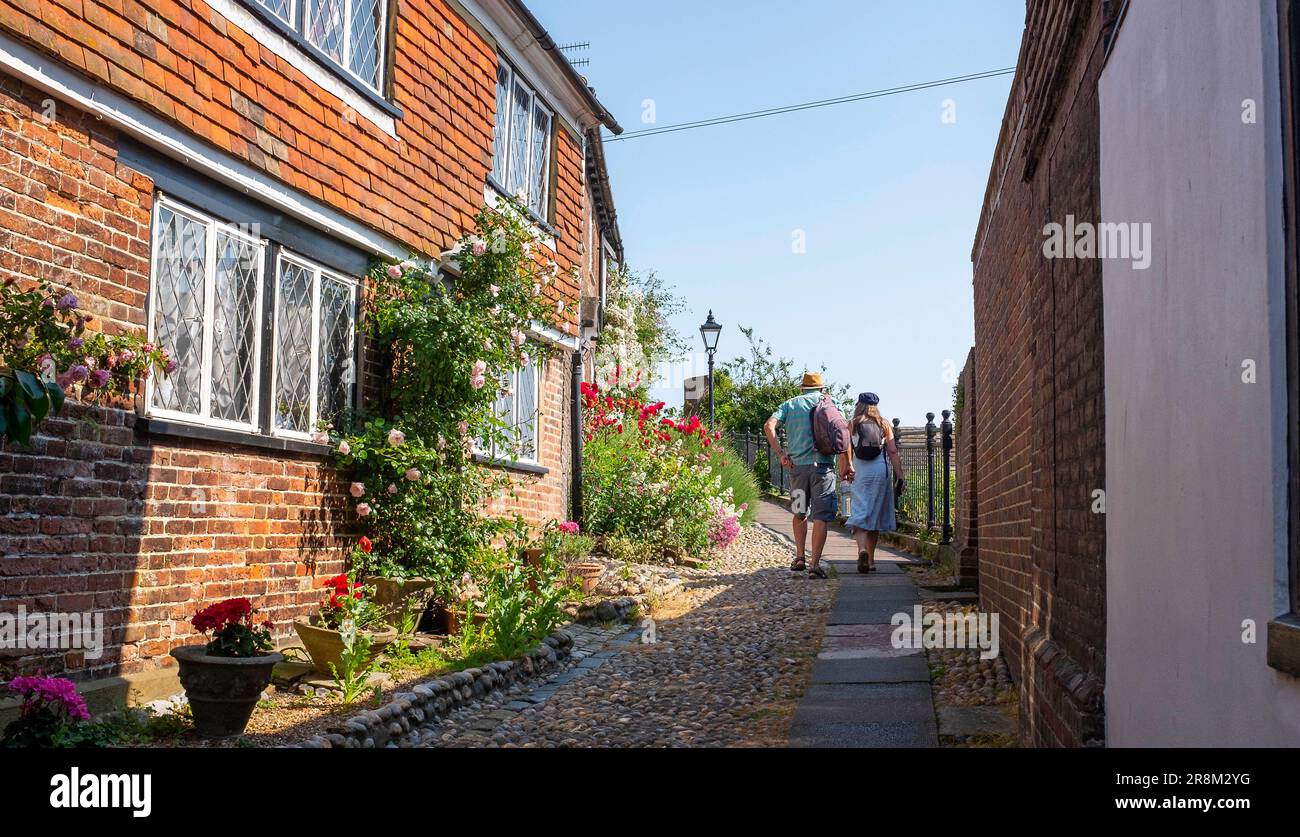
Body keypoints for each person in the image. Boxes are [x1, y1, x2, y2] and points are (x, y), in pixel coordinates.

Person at [763, 372, 838, 579]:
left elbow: (768, 426)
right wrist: (847, 462)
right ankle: (815, 564)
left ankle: (799, 557)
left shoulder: (790, 404)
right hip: (823, 468)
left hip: (797, 469)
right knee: (821, 517)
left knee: (799, 512)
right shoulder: (831, 402)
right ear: (821, 388)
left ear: (801, 388)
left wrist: (780, 454)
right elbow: (844, 431)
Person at [841, 392, 905, 572]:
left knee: (860, 512)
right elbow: (892, 451)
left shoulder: (852, 424)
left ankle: (861, 550)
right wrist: (900, 476)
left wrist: (847, 468)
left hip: (860, 473)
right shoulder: (883, 424)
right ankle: (871, 561)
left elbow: (845, 450)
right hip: (880, 472)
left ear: (858, 405)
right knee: (874, 514)